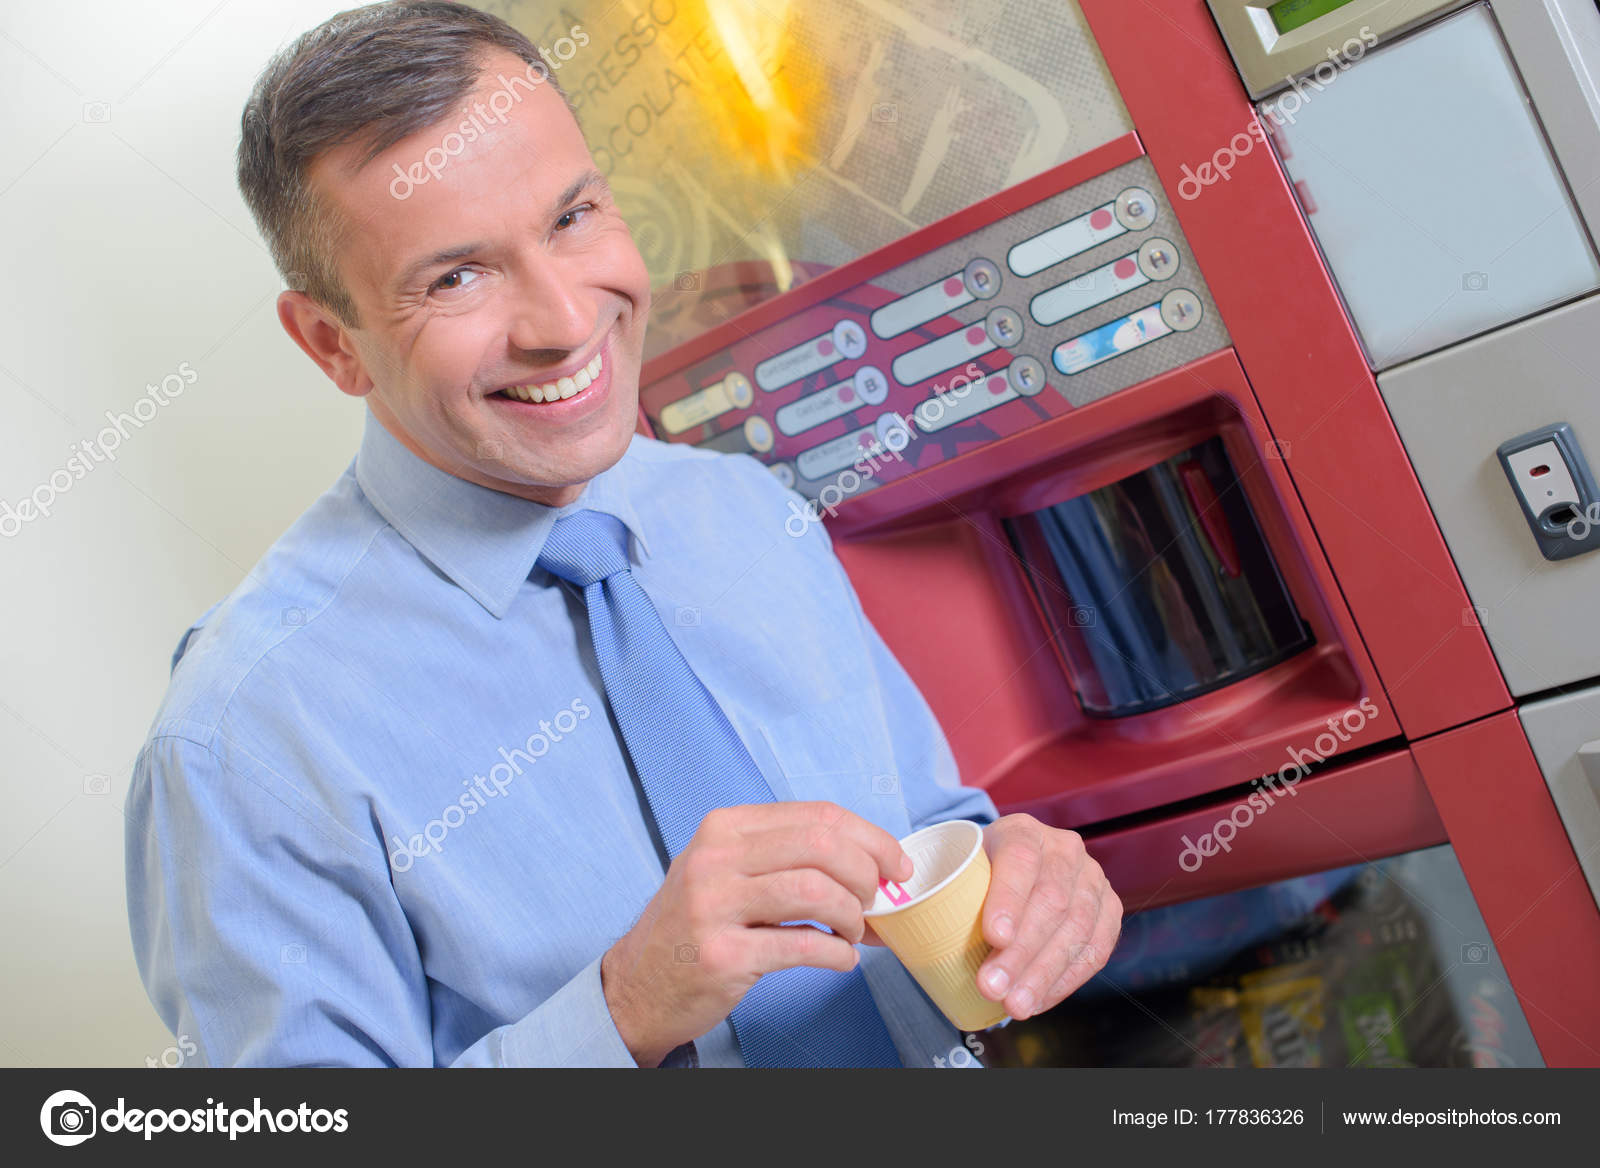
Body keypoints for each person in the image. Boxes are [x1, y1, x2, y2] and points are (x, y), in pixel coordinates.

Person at [124, 0, 1121, 1068]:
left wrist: (1015, 883)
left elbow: (924, 845)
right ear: (332, 343)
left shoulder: (744, 511)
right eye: (456, 276)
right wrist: (622, 1006)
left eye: (572, 217)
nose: (563, 321)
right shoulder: (243, 740)